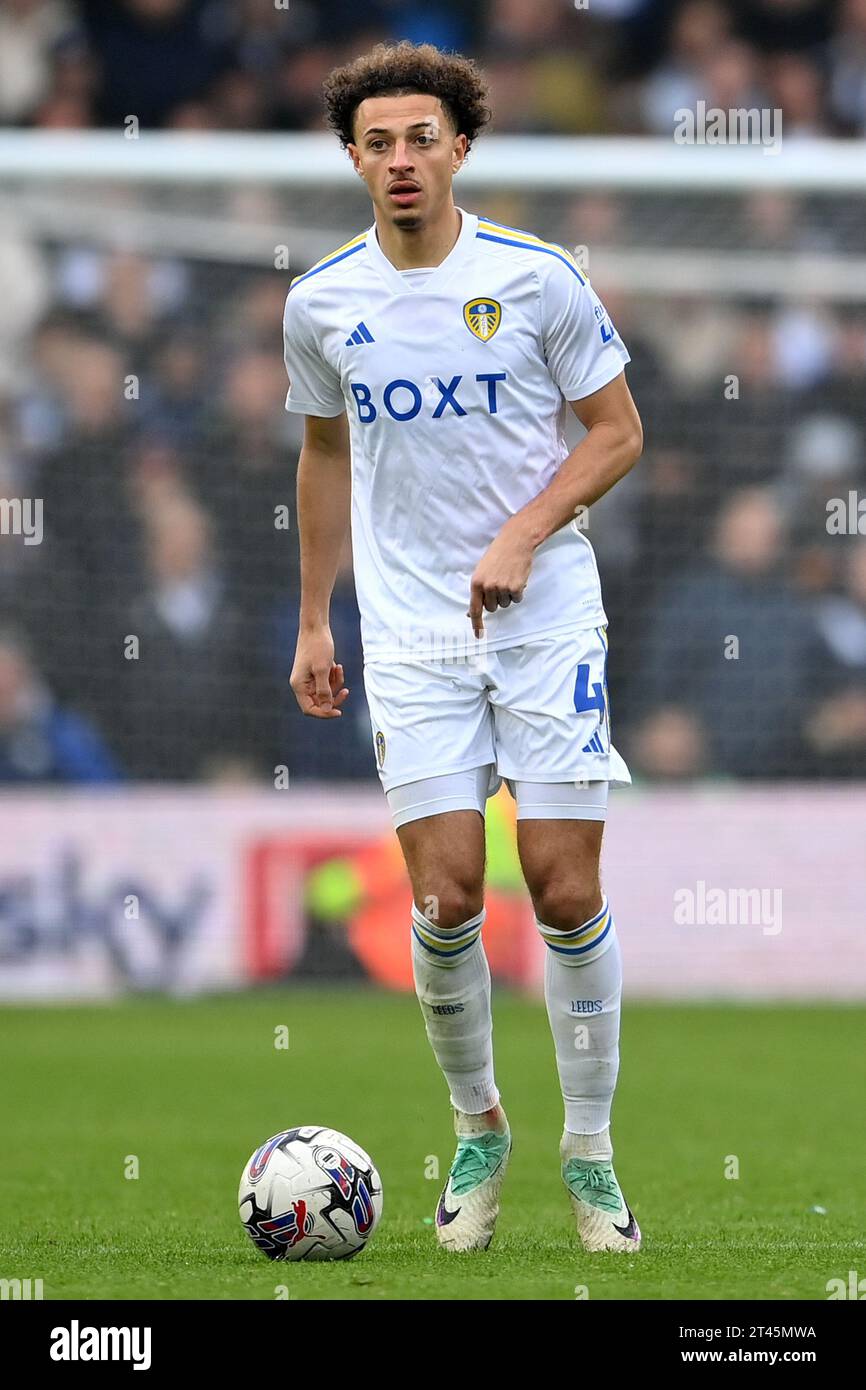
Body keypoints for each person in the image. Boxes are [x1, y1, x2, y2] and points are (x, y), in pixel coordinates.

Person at [285, 41, 643, 1254]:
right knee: (441, 896)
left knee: (563, 887)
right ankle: (477, 1126)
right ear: (351, 157)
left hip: (542, 616)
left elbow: (614, 432)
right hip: (410, 635)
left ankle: (587, 1155)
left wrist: (525, 531)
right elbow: (324, 453)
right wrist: (312, 617)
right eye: (376, 142)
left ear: (460, 148)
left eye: (419, 139)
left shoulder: (535, 279)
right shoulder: (321, 301)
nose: (399, 159)